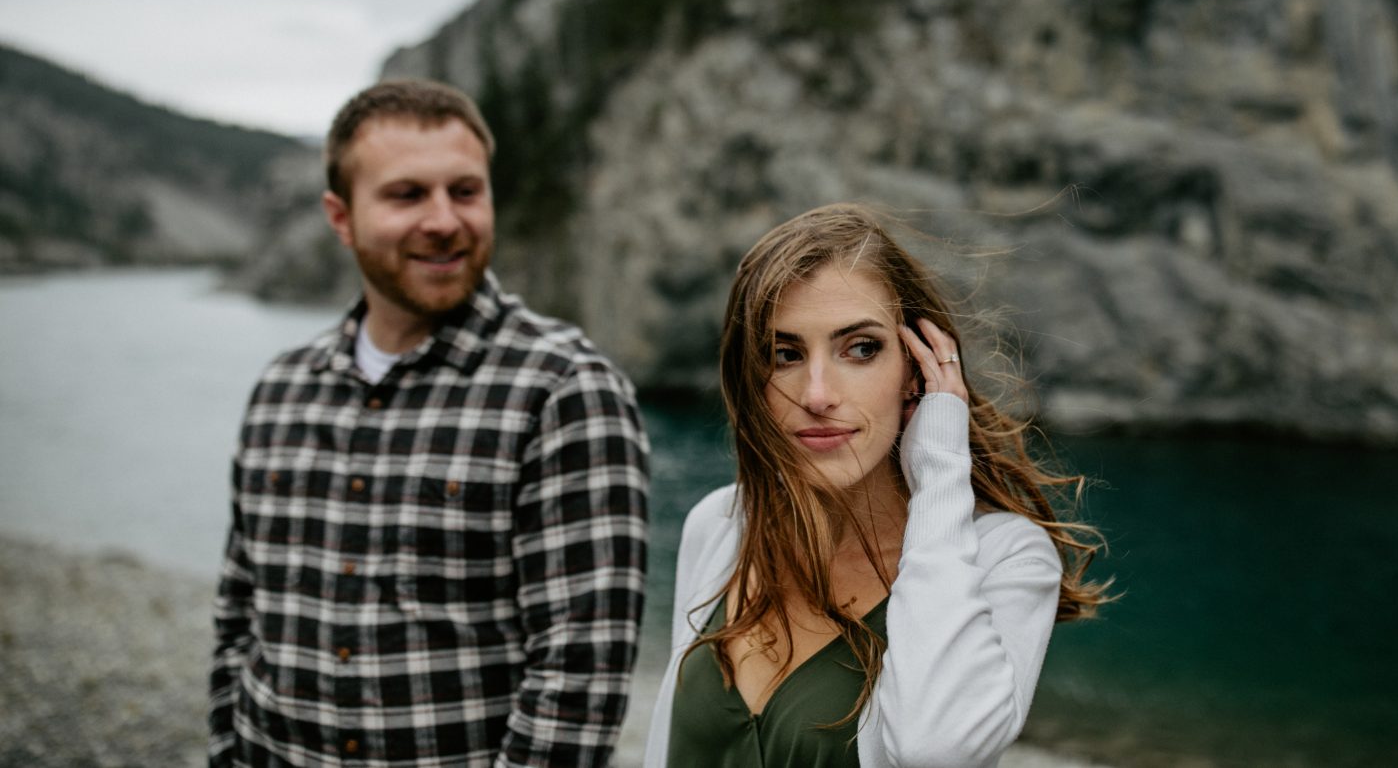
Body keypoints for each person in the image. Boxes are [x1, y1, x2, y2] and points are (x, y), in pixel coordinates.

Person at [209, 80, 650, 768]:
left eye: (465, 191)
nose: (444, 220)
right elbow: (238, 619)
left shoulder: (563, 390)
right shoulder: (281, 391)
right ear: (341, 216)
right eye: (407, 194)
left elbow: (578, 679)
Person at [643, 203, 1108, 768]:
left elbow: (935, 749)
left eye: (860, 349)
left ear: (916, 368)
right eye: (784, 355)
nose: (817, 394)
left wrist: (940, 468)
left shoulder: (1005, 557)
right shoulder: (720, 526)